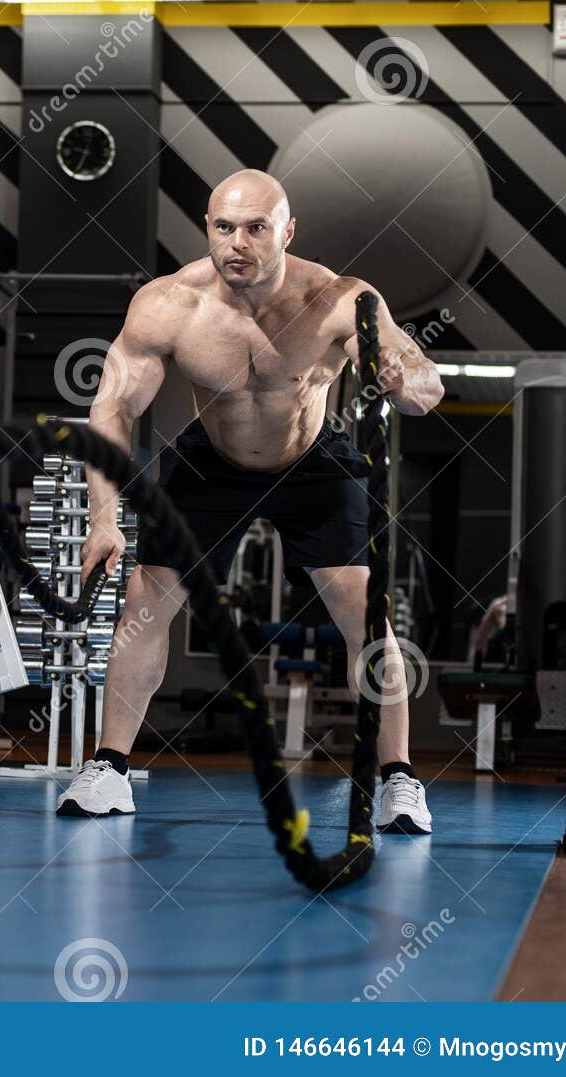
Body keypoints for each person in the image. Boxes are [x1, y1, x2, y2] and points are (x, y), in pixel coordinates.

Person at [57, 169, 444, 834]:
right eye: (223, 227)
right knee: (145, 601)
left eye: (256, 228)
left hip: (313, 460)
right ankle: (111, 770)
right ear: (208, 230)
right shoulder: (168, 305)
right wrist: (102, 519)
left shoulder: (339, 300)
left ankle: (399, 782)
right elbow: (112, 407)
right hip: (212, 462)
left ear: (286, 232)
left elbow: (425, 390)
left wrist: (403, 378)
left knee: (363, 608)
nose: (238, 243)